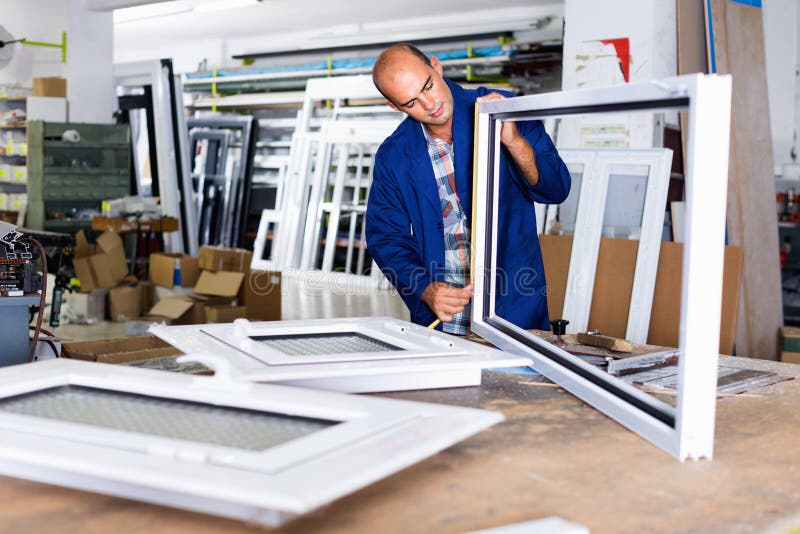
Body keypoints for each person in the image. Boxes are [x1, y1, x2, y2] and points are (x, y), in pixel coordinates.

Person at [365, 44, 570, 335]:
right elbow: (386, 236)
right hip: (443, 316)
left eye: (428, 86)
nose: (429, 104)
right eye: (411, 102)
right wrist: (424, 288)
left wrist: (514, 142)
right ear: (395, 107)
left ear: (436, 66)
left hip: (515, 303)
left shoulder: (502, 110)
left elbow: (557, 189)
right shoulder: (393, 155)